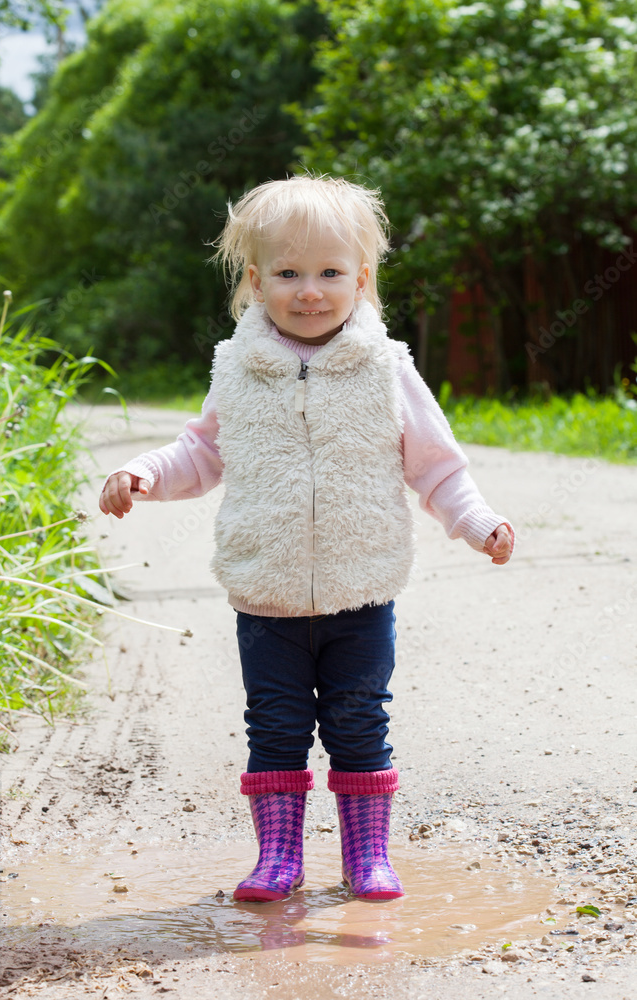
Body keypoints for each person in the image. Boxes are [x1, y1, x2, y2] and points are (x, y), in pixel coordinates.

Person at [99, 173, 514, 903]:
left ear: (360, 278)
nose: (309, 290)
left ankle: (366, 858)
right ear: (257, 282)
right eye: (288, 273)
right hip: (268, 595)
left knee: (359, 723)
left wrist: (476, 523)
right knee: (276, 727)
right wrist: (141, 473)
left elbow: (436, 467)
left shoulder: (386, 369)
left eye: (328, 273)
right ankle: (278, 858)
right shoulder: (237, 370)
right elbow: (199, 454)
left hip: (360, 590)